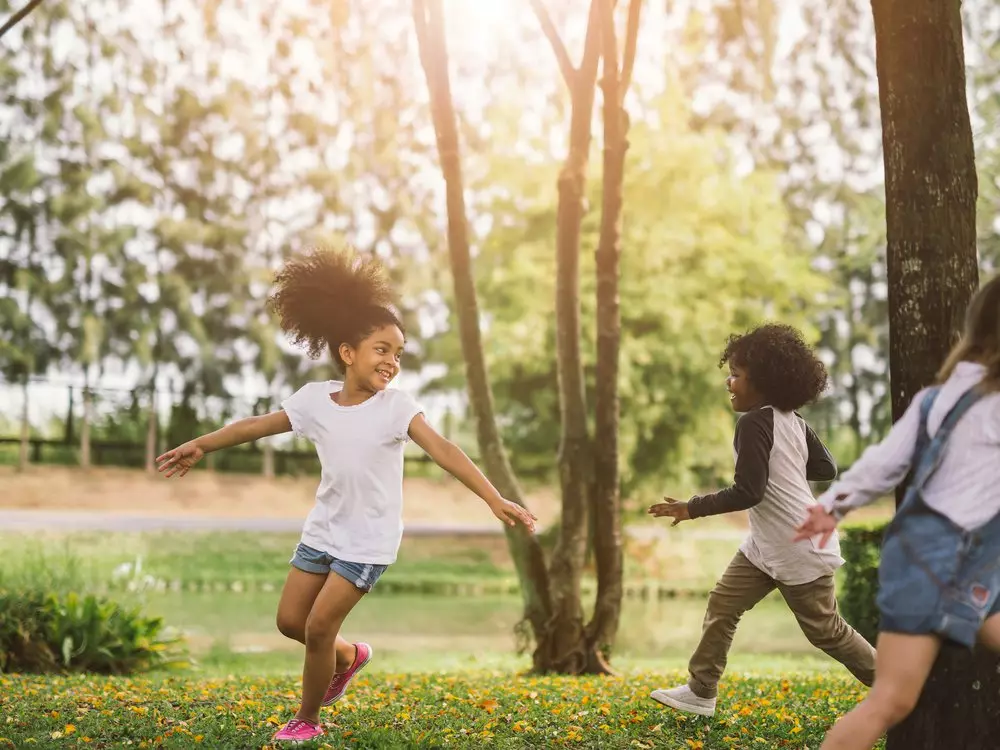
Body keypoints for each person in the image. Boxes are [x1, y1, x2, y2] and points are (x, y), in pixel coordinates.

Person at [156, 247, 537, 744]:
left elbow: (444, 449)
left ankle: (307, 720)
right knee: (290, 621)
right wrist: (202, 444)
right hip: (324, 529)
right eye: (381, 349)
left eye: (398, 353)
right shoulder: (315, 400)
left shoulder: (397, 407)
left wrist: (493, 498)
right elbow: (258, 426)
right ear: (347, 351)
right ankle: (351, 655)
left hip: (368, 540)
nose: (392, 361)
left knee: (317, 628)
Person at [795, 274, 1000, 750]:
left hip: (938, 562)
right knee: (890, 701)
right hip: (945, 564)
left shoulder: (936, 399)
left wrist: (831, 506)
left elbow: (883, 464)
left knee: (889, 701)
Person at [647, 323, 876, 717]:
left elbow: (748, 491)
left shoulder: (754, 423)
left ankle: (901, 686)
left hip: (797, 545)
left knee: (827, 631)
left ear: (764, 381)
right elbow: (826, 467)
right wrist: (787, 468)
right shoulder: (793, 420)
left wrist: (692, 507)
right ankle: (701, 690)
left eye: (736, 375)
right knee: (723, 603)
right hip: (766, 545)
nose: (729, 383)